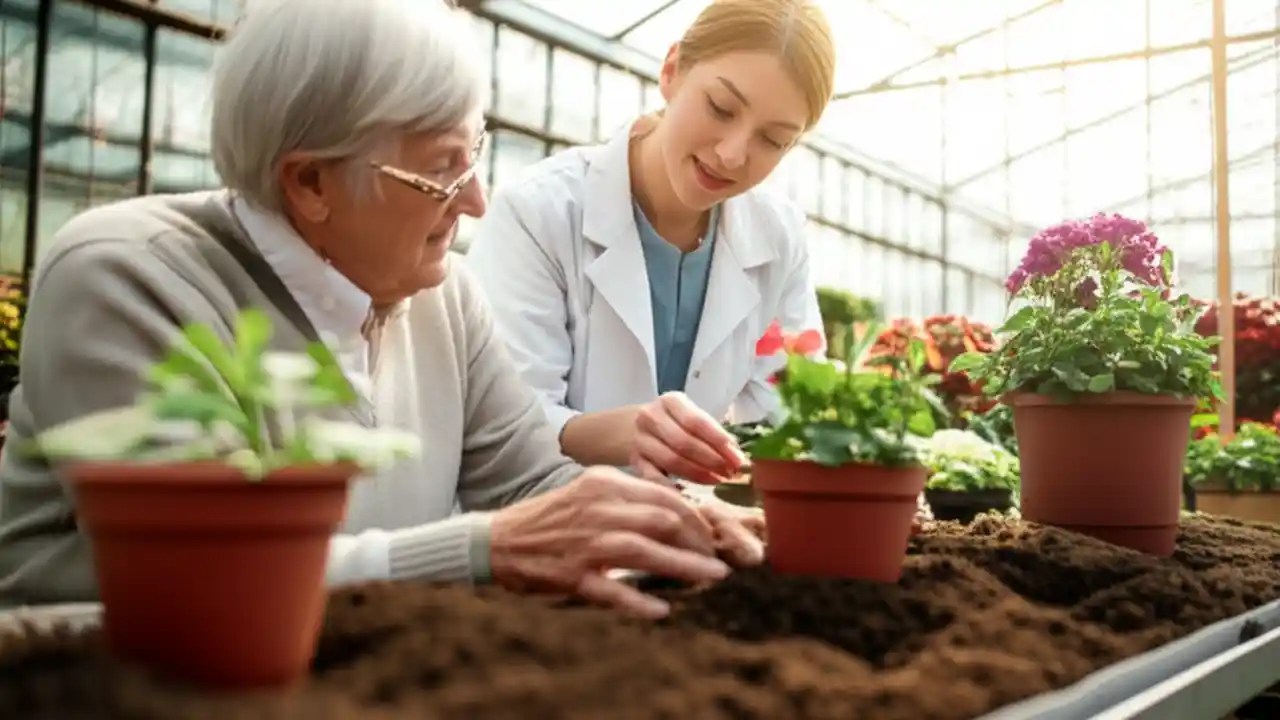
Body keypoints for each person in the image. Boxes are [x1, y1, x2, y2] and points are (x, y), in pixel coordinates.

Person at [0, 0, 762, 621]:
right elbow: (208, 580)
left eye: (477, 154)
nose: (476, 200)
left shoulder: (444, 296)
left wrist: (679, 517)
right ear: (310, 184)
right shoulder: (128, 278)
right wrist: (481, 552)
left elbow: (532, 484)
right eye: (440, 171)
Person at [466, 0, 834, 488]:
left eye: (773, 140)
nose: (732, 153)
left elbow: (789, 410)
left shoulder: (778, 237)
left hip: (698, 532)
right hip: (548, 526)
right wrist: (620, 433)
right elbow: (502, 423)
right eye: (720, 108)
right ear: (671, 72)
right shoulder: (539, 213)